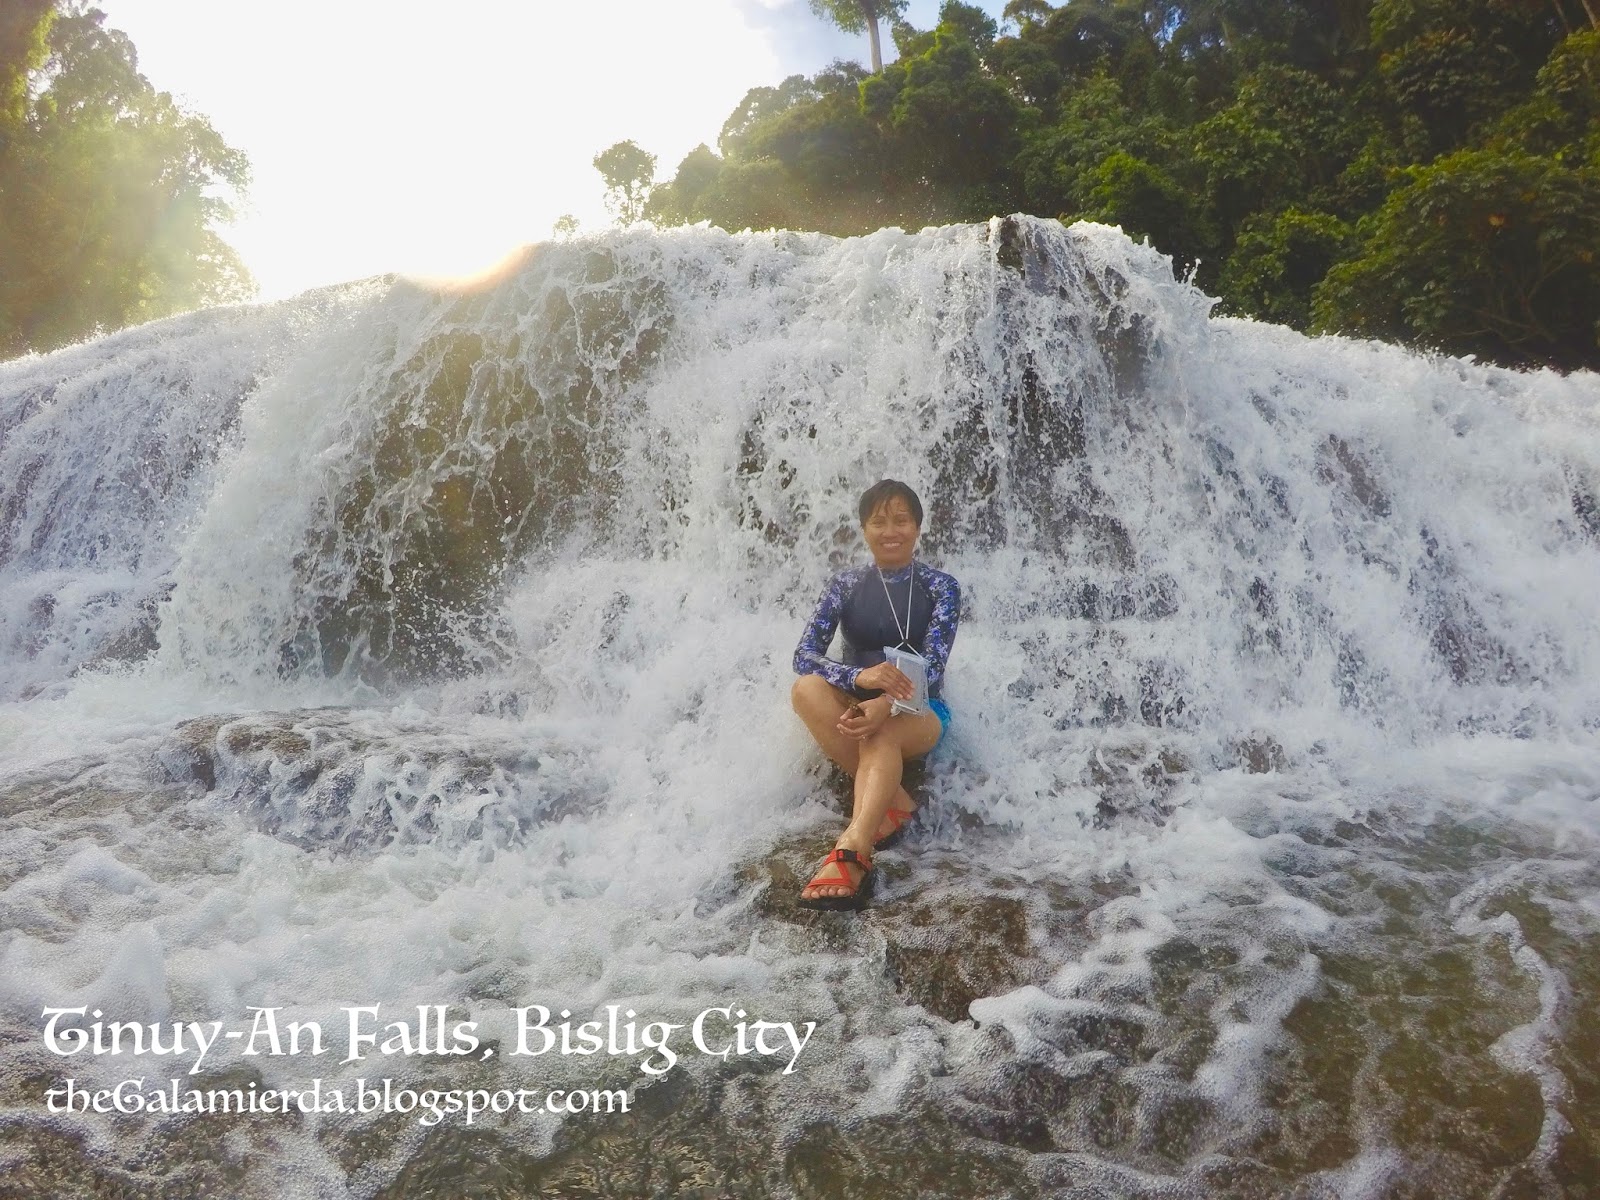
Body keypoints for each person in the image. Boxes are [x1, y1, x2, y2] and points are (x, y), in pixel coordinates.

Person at [790, 479, 960, 910]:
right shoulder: (845, 585)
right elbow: (804, 655)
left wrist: (887, 703)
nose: (891, 531)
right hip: (858, 699)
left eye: (901, 520)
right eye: (879, 521)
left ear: (918, 528)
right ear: (864, 529)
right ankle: (894, 802)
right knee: (805, 689)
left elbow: (934, 666)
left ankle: (855, 846)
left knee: (881, 733)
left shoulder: (941, 587)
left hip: (921, 709)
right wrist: (859, 679)